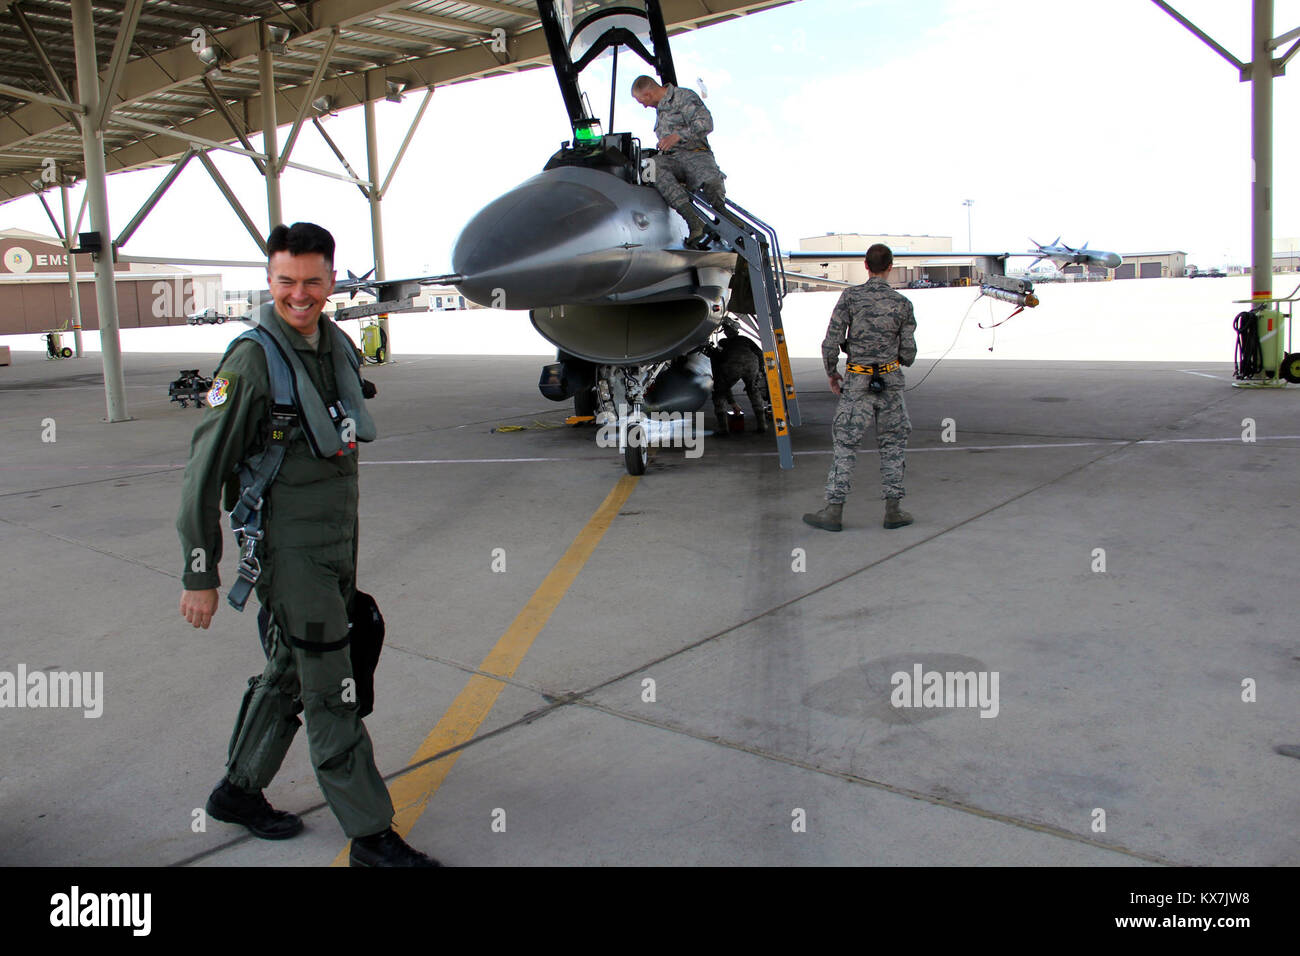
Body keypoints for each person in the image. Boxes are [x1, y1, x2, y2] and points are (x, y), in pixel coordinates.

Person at [177, 222, 438, 866]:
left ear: (330, 281)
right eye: (286, 281)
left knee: (293, 668)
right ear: (270, 282)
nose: (300, 295)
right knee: (331, 685)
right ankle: (371, 835)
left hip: (334, 545)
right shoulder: (251, 360)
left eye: (313, 281)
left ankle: (238, 791)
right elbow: (202, 470)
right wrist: (198, 571)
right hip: (291, 556)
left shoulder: (335, 346)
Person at [803, 243, 917, 532]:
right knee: (893, 446)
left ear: (866, 266)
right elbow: (909, 354)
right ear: (891, 267)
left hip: (856, 382)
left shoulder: (850, 297)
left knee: (845, 446)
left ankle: (833, 510)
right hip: (889, 384)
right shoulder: (902, 304)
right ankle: (893, 509)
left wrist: (832, 373)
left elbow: (830, 342)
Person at [631, 75, 726, 249]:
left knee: (712, 186)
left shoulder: (683, 97)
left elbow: (706, 123)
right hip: (674, 160)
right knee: (653, 166)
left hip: (697, 156)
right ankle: (694, 223)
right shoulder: (660, 110)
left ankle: (724, 217)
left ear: (649, 93)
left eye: (642, 101)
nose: (644, 106)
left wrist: (677, 136)